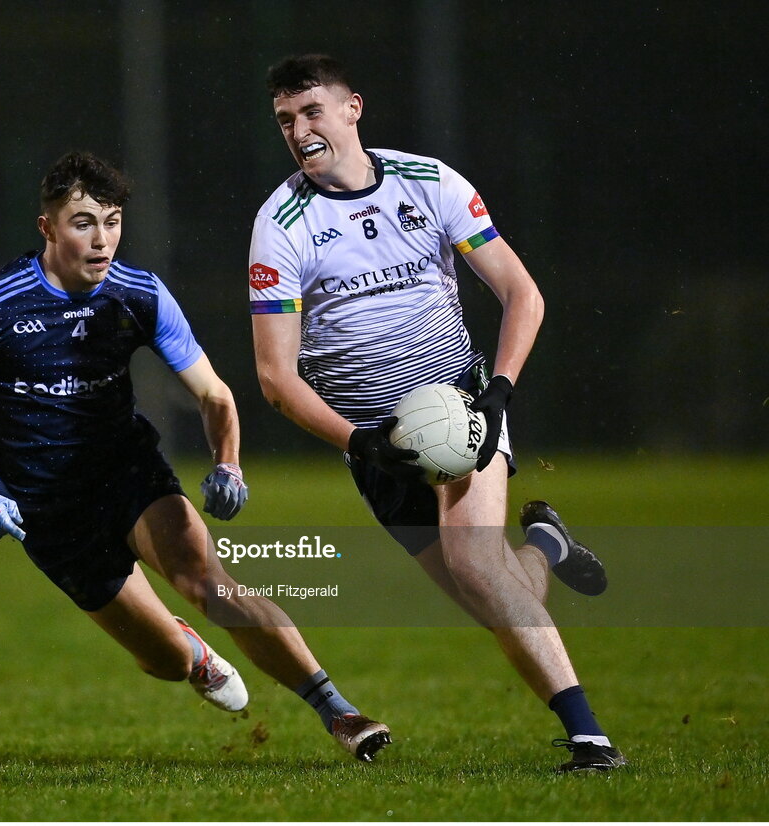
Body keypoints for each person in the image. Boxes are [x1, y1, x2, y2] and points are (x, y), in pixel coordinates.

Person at [0, 150, 391, 762]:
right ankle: (193, 654)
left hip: (127, 473)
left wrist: (227, 462)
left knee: (210, 584)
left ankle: (340, 713)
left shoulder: (139, 295)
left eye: (113, 221)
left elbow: (214, 394)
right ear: (47, 228)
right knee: (166, 662)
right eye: (83, 222)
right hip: (47, 511)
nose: (102, 240)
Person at [249, 55, 625, 772]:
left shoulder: (430, 182)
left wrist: (499, 393)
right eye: (286, 120)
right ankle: (546, 546)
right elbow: (274, 377)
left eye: (312, 112)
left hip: (459, 406)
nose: (300, 131)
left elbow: (524, 295)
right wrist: (361, 443)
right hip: (376, 443)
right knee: (489, 592)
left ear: (353, 108)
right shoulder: (281, 226)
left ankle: (590, 739)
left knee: (473, 558)